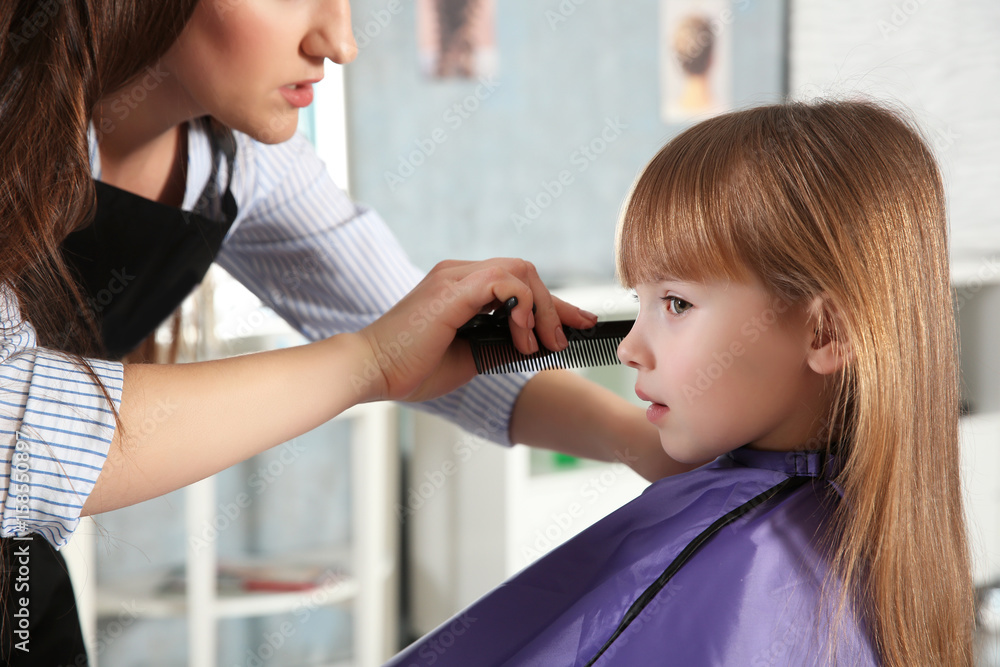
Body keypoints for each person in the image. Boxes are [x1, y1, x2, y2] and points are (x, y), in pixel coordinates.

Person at [0, 1, 687, 664]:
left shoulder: (243, 163)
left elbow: (430, 344)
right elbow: (18, 429)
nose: (340, 40)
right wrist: (369, 362)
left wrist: (645, 442)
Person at [384, 100, 975, 666]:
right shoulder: (878, 540)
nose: (628, 347)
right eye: (637, 303)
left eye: (675, 302)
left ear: (824, 332)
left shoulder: (751, 568)